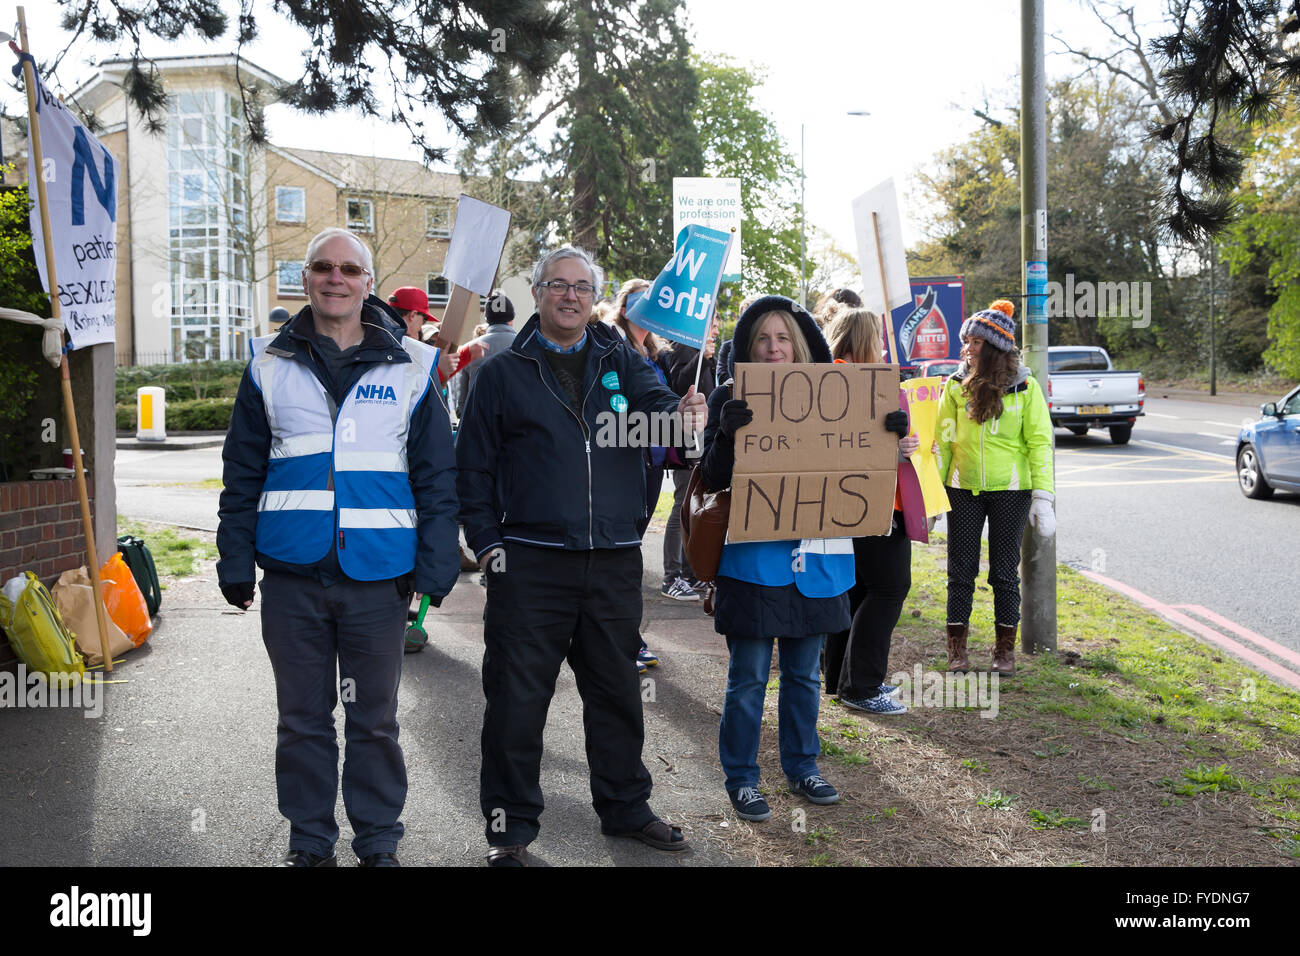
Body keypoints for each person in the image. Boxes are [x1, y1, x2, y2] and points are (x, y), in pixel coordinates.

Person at [456, 245, 707, 866]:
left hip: (613, 560)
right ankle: (508, 827)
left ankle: (625, 807)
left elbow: (657, 421)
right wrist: (489, 548)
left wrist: (684, 415)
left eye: (581, 287)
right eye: (557, 285)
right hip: (530, 562)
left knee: (618, 691)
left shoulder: (619, 357)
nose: (569, 295)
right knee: (517, 700)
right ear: (537, 293)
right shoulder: (502, 372)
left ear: (593, 298)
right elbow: (474, 471)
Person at [217, 227, 459, 867]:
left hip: (378, 580)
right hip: (293, 578)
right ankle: (310, 843)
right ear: (306, 278)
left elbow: (437, 476)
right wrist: (234, 558)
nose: (335, 278)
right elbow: (242, 473)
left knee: (374, 722)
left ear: (367, 283)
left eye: (349, 269)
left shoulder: (413, 364)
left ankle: (378, 842)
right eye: (323, 267)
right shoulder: (268, 364)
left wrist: (435, 565)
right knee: (301, 721)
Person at [698, 295, 856, 823]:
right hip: (752, 562)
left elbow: (860, 467)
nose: (773, 349)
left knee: (805, 676)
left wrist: (890, 435)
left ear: (800, 343)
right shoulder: (727, 395)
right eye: (762, 339)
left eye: (782, 338)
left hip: (816, 561)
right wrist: (725, 432)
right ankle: (742, 778)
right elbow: (714, 479)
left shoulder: (838, 397)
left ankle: (802, 766)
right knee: (747, 678)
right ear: (748, 346)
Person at [936, 299, 1055, 676]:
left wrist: (1043, 497)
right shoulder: (955, 386)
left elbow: (1039, 442)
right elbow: (942, 442)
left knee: (1003, 573)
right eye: (965, 342)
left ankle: (1004, 653)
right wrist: (933, 493)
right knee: (960, 572)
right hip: (963, 490)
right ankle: (957, 651)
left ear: (995, 347)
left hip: (1011, 493)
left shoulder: (1026, 388)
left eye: (974, 342)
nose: (967, 348)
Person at [821, 308, 918, 715]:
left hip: (847, 500)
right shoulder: (862, 381)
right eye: (876, 337)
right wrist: (895, 447)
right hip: (874, 500)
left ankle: (842, 678)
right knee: (888, 589)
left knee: (858, 589)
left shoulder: (826, 379)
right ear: (865, 340)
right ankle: (861, 685)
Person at [657, 315, 719, 601]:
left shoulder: (700, 351)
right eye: (714, 321)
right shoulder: (684, 347)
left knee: (693, 503)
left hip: (699, 439)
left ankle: (690, 573)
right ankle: (672, 576)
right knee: (681, 505)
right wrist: (701, 358)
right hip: (685, 441)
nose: (716, 328)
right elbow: (680, 384)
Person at [449, 290, 516, 419]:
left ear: (487, 319)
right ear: (511, 318)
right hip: (518, 427)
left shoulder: (468, 349)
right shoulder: (526, 346)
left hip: (479, 424)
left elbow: (461, 401)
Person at [389, 285, 457, 382]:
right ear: (412, 315)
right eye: (424, 320)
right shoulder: (399, 346)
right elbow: (408, 390)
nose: (421, 327)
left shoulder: (377, 337)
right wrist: (439, 371)